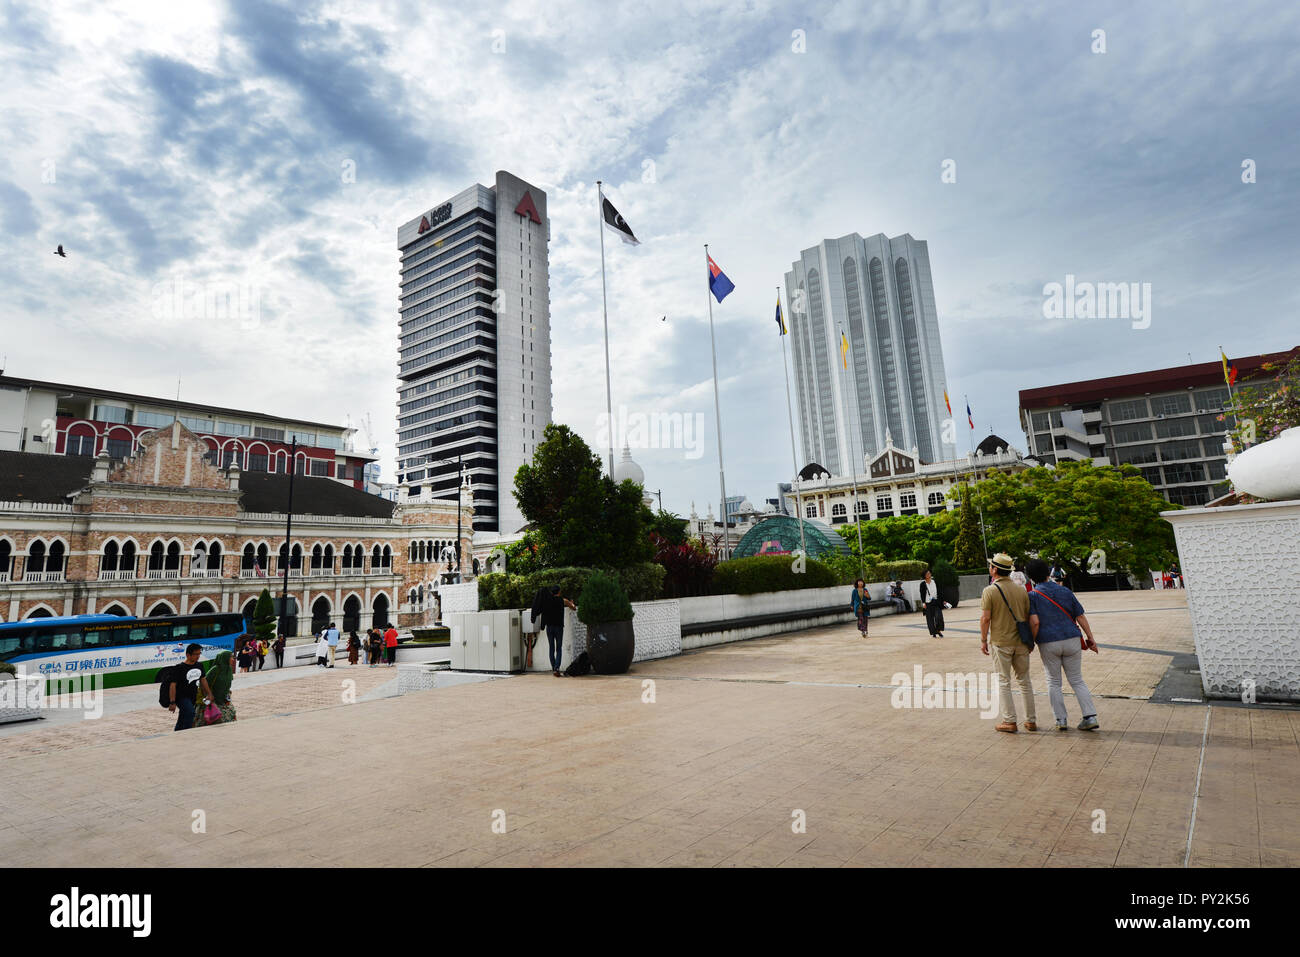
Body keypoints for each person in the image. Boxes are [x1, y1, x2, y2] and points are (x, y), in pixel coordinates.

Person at [1026, 559, 1100, 731]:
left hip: (1048, 642)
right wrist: (1090, 638)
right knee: (1077, 680)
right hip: (1072, 638)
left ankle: (1061, 720)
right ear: (1048, 573)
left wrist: (1032, 642)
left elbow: (1035, 622)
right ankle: (1090, 716)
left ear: (1030, 577)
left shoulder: (1033, 596)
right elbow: (1080, 616)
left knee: (1053, 682)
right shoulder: (1065, 591)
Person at [980, 552, 1037, 733]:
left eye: (991, 566)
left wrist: (983, 640)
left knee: (1004, 681)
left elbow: (985, 619)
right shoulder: (1021, 590)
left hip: (1001, 642)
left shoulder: (990, 591)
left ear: (995, 569)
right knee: (1024, 681)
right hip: (1021, 641)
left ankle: (1009, 721)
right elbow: (1029, 616)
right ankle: (1030, 721)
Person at [167, 643, 217, 732]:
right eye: (195, 654)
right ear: (188, 655)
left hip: (193, 696)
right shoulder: (179, 668)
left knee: (183, 715)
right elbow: (172, 685)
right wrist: (172, 702)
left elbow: (203, 680)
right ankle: (187, 733)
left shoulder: (199, 665)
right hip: (181, 697)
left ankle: (177, 732)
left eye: (199, 654)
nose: (198, 656)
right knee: (190, 713)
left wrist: (209, 693)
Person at [531, 585, 576, 675]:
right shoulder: (563, 600)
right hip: (559, 627)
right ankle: (557, 668)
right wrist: (572, 603)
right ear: (559, 592)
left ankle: (554, 667)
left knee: (551, 647)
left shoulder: (547, 601)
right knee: (558, 648)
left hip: (549, 627)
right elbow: (573, 608)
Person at [193, 650, 237, 726]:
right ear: (225, 658)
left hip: (223, 700)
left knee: (231, 714)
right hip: (212, 700)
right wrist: (208, 695)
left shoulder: (228, 669)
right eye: (231, 657)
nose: (233, 659)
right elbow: (203, 683)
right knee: (210, 719)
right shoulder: (215, 669)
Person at [919, 569, 944, 638]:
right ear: (924, 575)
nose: (929, 575)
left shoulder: (934, 582)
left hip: (936, 602)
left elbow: (939, 592)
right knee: (930, 619)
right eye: (927, 574)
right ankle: (933, 632)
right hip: (928, 603)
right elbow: (922, 594)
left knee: (939, 617)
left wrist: (943, 600)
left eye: (929, 573)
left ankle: (938, 630)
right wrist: (923, 603)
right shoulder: (923, 584)